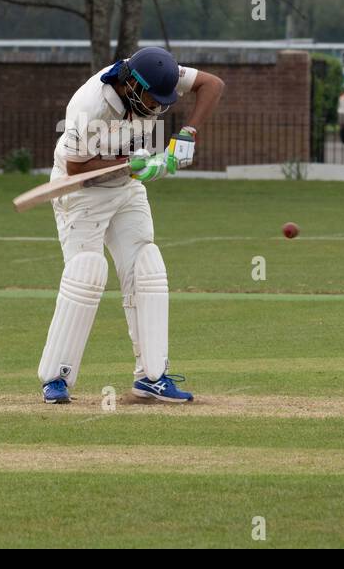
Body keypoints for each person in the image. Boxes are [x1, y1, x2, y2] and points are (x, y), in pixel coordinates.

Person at [37, 47, 224, 404]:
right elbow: (77, 169)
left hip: (125, 189)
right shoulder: (89, 108)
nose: (158, 108)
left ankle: (151, 375)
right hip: (80, 192)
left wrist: (188, 133)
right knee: (86, 273)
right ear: (132, 87)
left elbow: (213, 84)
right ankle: (55, 378)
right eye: (154, 100)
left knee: (146, 266)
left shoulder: (155, 71)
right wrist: (130, 164)